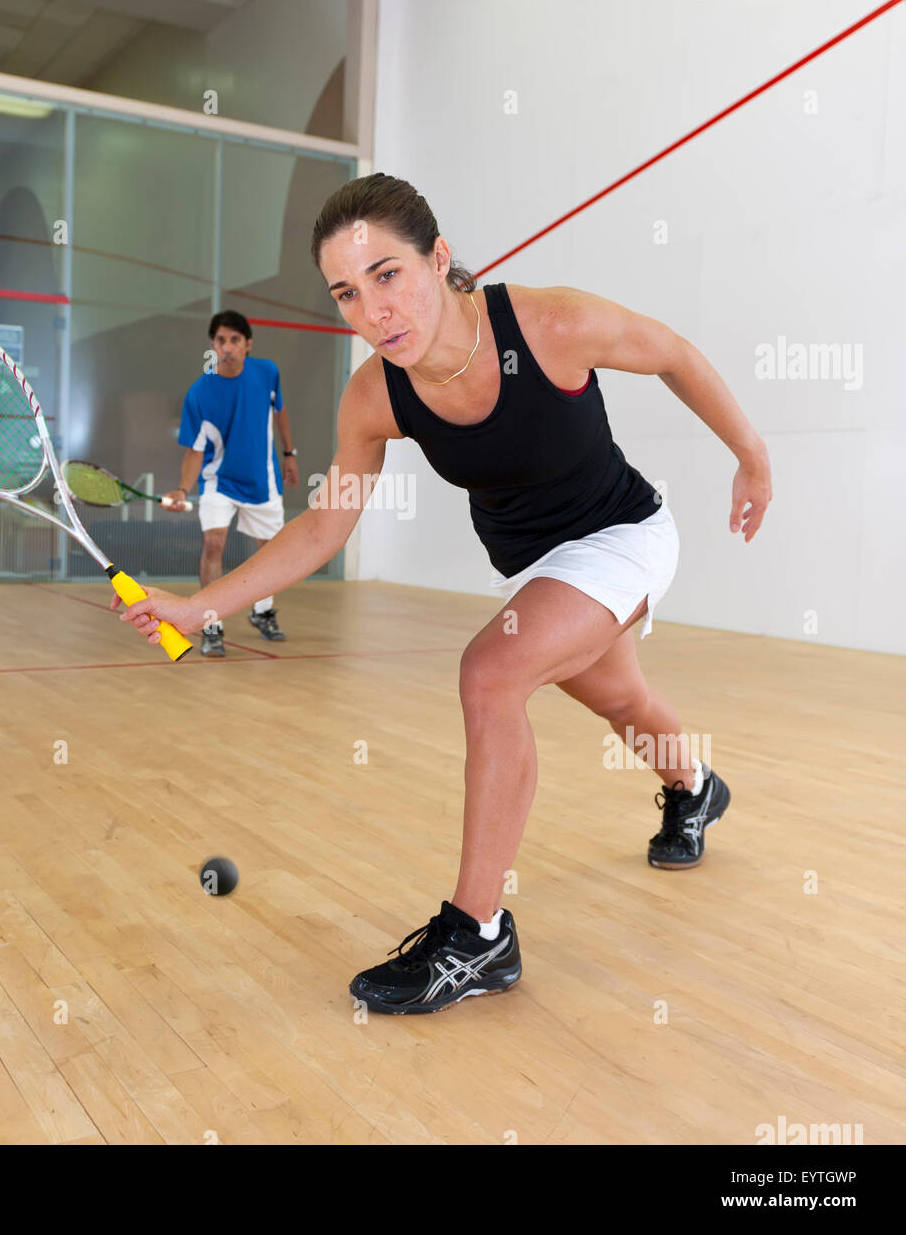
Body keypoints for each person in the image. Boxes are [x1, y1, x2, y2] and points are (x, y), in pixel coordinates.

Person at [117, 174, 772, 1016]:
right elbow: (324, 526)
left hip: (624, 536)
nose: (373, 311)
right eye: (347, 293)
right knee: (621, 696)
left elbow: (673, 352)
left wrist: (750, 455)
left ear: (439, 259)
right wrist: (198, 607)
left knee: (490, 676)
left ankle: (477, 934)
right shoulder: (375, 395)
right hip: (537, 573)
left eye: (388, 275)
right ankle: (695, 789)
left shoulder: (546, 324)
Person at [163, 311, 299, 655]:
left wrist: (289, 453)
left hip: (262, 482)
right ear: (213, 344)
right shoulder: (200, 394)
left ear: (248, 344)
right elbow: (194, 452)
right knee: (213, 544)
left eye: (235, 340)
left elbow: (279, 411)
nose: (228, 348)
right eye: (221, 340)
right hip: (218, 482)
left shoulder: (268, 373)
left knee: (272, 554)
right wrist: (182, 488)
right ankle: (212, 623)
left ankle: (262, 611)